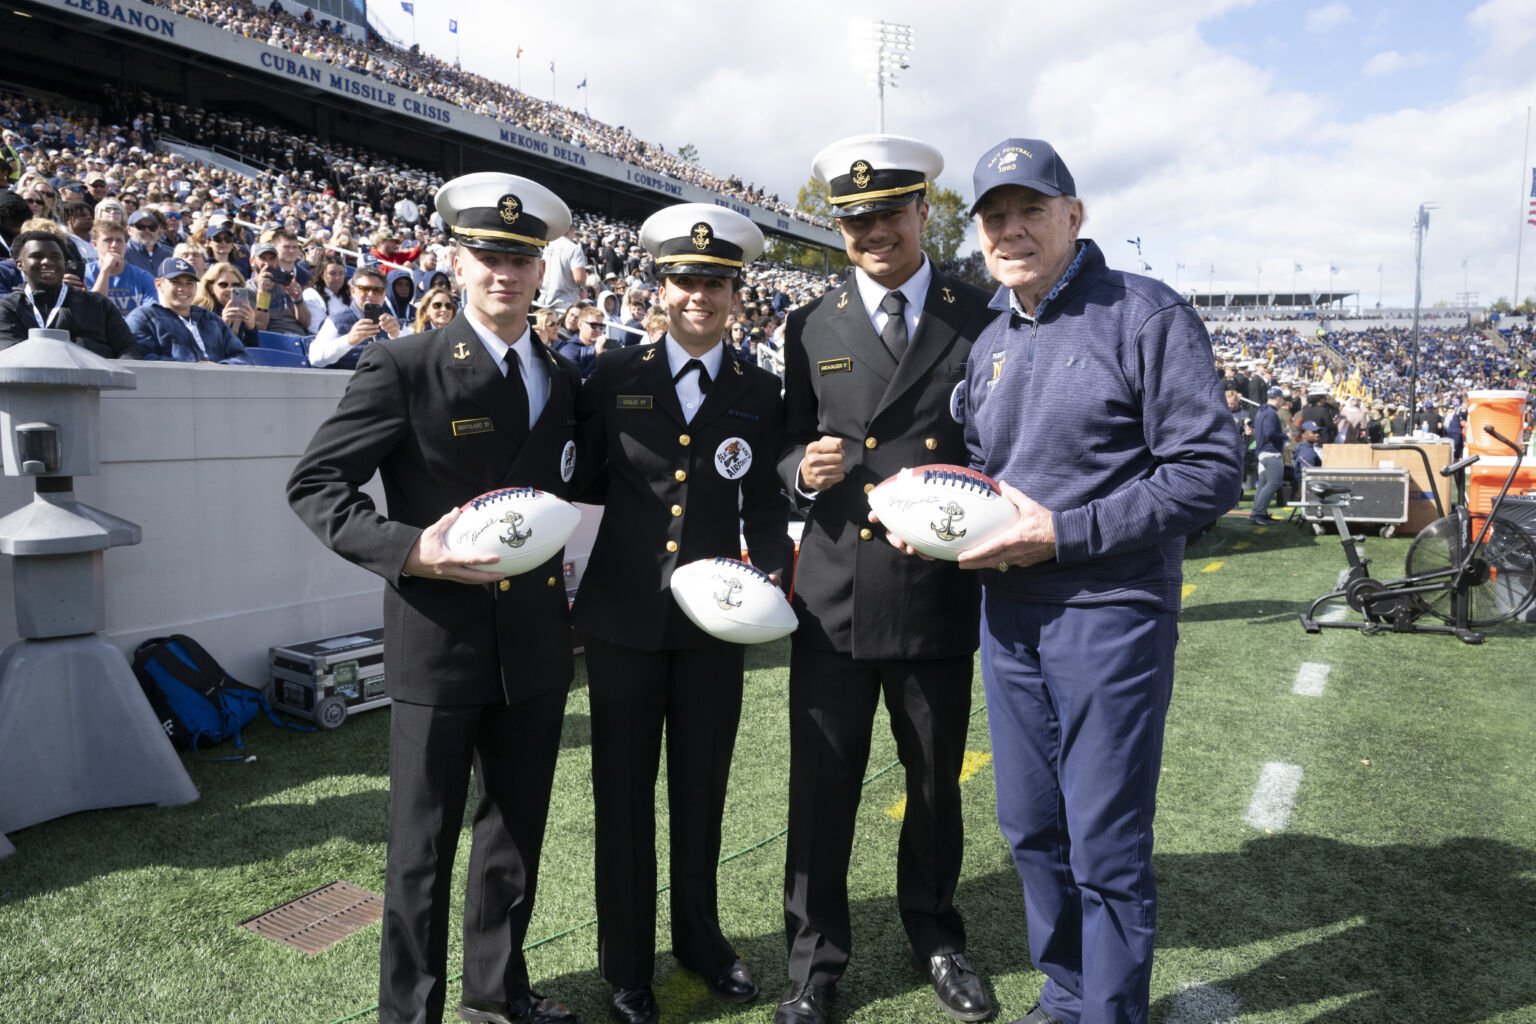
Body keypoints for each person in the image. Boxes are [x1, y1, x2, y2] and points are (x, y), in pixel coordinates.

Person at [939, 137, 1239, 1024]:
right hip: (1012, 615)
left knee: (1105, 841)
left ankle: (1108, 1012)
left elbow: (1209, 470)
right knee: (1031, 828)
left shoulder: (1144, 314)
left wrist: (1066, 534)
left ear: (1075, 216)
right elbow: (986, 474)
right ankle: (1066, 994)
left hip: (1110, 611)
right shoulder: (989, 337)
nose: (1012, 229)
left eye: (1031, 209)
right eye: (995, 217)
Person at [287, 172, 584, 1024]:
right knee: (421, 850)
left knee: (512, 839)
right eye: (489, 255)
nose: (505, 274)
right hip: (437, 641)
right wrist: (409, 548)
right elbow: (315, 484)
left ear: (541, 271)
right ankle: (407, 1016)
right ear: (458, 262)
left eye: (521, 259)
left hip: (532, 644)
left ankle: (498, 996)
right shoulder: (404, 363)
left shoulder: (561, 380)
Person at [773, 135, 996, 1024]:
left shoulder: (978, 314)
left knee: (935, 784)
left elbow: (995, 446)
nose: (872, 232)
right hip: (832, 593)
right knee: (822, 787)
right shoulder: (811, 321)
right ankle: (814, 966)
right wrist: (802, 469)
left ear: (922, 214)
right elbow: (788, 440)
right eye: (854, 219)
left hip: (935, 588)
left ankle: (938, 935)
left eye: (888, 214)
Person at [572, 204, 793, 1024]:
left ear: (736, 293)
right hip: (623, 622)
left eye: (714, 281)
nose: (698, 294)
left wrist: (767, 573)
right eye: (683, 279)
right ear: (659, 288)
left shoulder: (759, 391)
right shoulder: (611, 376)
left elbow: (766, 504)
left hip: (713, 626)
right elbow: (579, 482)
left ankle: (700, 940)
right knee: (622, 797)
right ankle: (626, 965)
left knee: (701, 791)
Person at [0, 230, 142, 358]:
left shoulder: (97, 304)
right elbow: (10, 355)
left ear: (65, 263)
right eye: (37, 256)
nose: (47, 262)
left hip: (97, 384)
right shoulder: (8, 309)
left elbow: (128, 349)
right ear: (20, 264)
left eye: (55, 257)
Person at [124, 257, 253, 364]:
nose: (183, 289)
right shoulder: (143, 317)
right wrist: (192, 366)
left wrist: (220, 368)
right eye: (176, 282)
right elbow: (140, 358)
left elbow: (244, 357)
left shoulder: (210, 319)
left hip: (218, 387)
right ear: (159, 284)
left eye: (189, 283)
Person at [306, 265, 402, 369]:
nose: (371, 294)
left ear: (384, 294)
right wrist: (349, 340)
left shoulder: (394, 323)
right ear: (353, 291)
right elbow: (315, 358)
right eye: (364, 289)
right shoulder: (335, 322)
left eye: (377, 290)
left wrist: (395, 337)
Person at [86, 217, 157, 315]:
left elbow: (150, 313)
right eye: (108, 240)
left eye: (119, 241)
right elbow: (93, 309)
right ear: (95, 245)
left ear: (125, 246)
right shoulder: (86, 274)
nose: (114, 245)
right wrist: (105, 270)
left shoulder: (143, 277)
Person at [248, 241, 312, 336]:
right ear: (252, 262)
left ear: (277, 261)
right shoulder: (248, 289)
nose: (267, 263)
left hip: (299, 336)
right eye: (262, 258)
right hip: (275, 340)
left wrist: (298, 299)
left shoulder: (285, 285)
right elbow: (260, 326)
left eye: (272, 259)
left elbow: (306, 323)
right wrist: (262, 292)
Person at [192, 261, 259, 350]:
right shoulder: (198, 312)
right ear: (211, 288)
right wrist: (222, 325)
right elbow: (202, 349)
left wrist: (251, 329)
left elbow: (252, 350)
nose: (230, 289)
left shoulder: (242, 309)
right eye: (223, 285)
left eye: (235, 285)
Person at [1250, 386, 1288, 523]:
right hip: (1271, 452)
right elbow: (1270, 433)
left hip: (1263, 451)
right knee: (1274, 482)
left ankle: (1259, 512)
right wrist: (1285, 436)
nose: (1283, 401)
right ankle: (1258, 513)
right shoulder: (1271, 413)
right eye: (1282, 398)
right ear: (1277, 398)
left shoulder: (1262, 411)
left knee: (1263, 484)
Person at [537, 220, 587, 311]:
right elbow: (579, 279)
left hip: (543, 301)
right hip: (565, 304)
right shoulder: (574, 248)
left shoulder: (546, 246)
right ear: (571, 229)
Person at [555, 305, 606, 378]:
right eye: (593, 325)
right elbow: (579, 381)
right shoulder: (568, 350)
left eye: (601, 326)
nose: (598, 330)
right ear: (580, 325)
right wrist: (598, 356)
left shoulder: (604, 348)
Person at [302, 255, 352, 328]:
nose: (337, 278)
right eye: (332, 273)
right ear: (322, 275)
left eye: (341, 273)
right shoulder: (311, 294)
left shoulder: (350, 294)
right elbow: (316, 327)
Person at [124, 208, 173, 275]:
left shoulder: (170, 255)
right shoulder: (122, 253)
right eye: (141, 226)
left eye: (152, 227)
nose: (147, 231)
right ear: (129, 229)